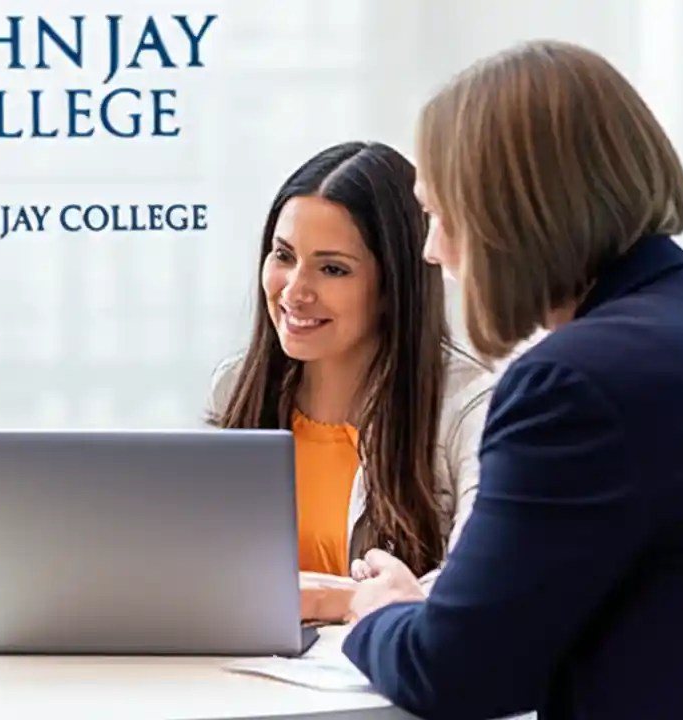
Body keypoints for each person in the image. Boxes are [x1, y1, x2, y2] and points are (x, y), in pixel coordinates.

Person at [341, 40, 683, 720]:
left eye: (436, 214)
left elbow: (457, 674)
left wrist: (381, 612)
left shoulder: (573, 384)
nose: (430, 250)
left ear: (501, 213)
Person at [206, 141, 495, 621]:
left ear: (392, 285)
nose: (295, 291)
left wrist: (334, 600)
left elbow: (484, 582)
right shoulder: (235, 385)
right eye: (284, 256)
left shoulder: (470, 406)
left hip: (379, 667)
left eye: (332, 269)